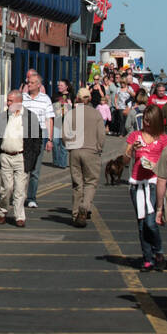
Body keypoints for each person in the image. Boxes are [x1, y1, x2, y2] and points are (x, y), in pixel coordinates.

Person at [0, 90, 43, 228]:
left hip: (22, 157)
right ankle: (2, 212)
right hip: (5, 156)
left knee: (20, 189)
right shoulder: (4, 116)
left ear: (19, 102)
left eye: (11, 101)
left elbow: (37, 140)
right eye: (8, 100)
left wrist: (33, 156)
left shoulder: (30, 117)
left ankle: (19, 216)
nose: (8, 103)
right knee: (7, 188)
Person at [124, 104, 167, 271]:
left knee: (151, 222)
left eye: (150, 121)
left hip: (153, 182)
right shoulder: (135, 136)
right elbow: (125, 161)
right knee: (142, 223)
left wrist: (155, 166)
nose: (146, 124)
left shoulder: (164, 139)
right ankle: (147, 258)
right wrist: (131, 151)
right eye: (145, 121)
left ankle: (158, 252)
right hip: (136, 183)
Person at [63, 87, 105, 228]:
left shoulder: (71, 114)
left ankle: (75, 214)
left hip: (75, 151)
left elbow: (65, 134)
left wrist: (69, 146)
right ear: (90, 99)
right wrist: (99, 148)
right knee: (91, 182)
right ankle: (84, 206)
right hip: (91, 151)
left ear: (78, 99)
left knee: (77, 184)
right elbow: (101, 135)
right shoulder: (96, 114)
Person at [22, 70, 55, 208]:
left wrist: (49, 139)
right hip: (24, 134)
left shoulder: (45, 99)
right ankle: (19, 195)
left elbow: (49, 120)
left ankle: (31, 198)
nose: (28, 84)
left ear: (38, 85)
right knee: (21, 168)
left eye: (31, 83)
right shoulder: (22, 97)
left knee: (35, 169)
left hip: (39, 135)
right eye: (28, 82)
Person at [52, 81, 74, 170]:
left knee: (64, 143)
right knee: (55, 141)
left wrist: (71, 105)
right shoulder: (55, 95)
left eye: (61, 85)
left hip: (67, 121)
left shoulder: (71, 95)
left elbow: (77, 107)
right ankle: (56, 161)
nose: (59, 86)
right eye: (58, 85)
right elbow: (51, 106)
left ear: (66, 86)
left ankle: (63, 163)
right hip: (57, 120)